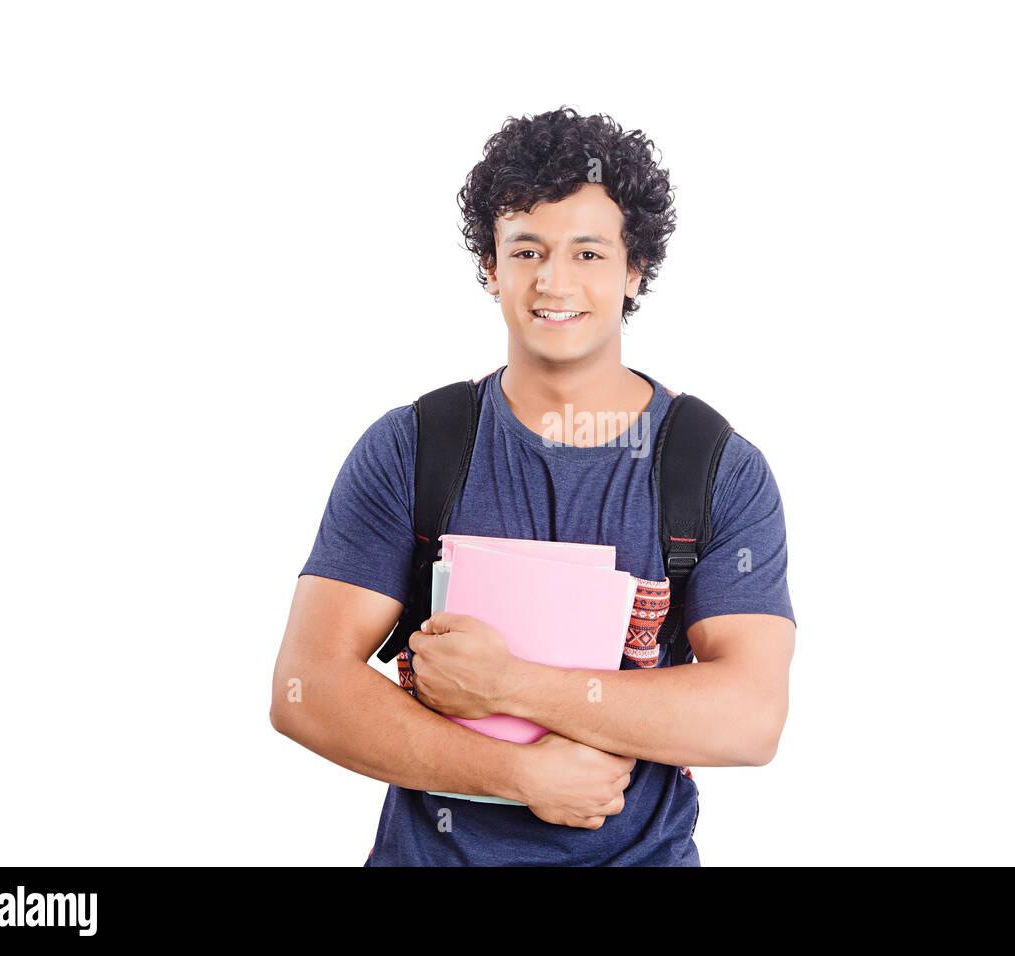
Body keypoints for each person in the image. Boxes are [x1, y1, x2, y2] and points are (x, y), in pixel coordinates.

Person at [269, 106, 796, 866]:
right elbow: (305, 688)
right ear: (491, 266)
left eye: (588, 253)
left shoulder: (715, 468)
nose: (553, 281)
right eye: (527, 250)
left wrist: (512, 684)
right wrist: (520, 775)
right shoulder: (415, 447)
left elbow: (751, 718)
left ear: (634, 269)